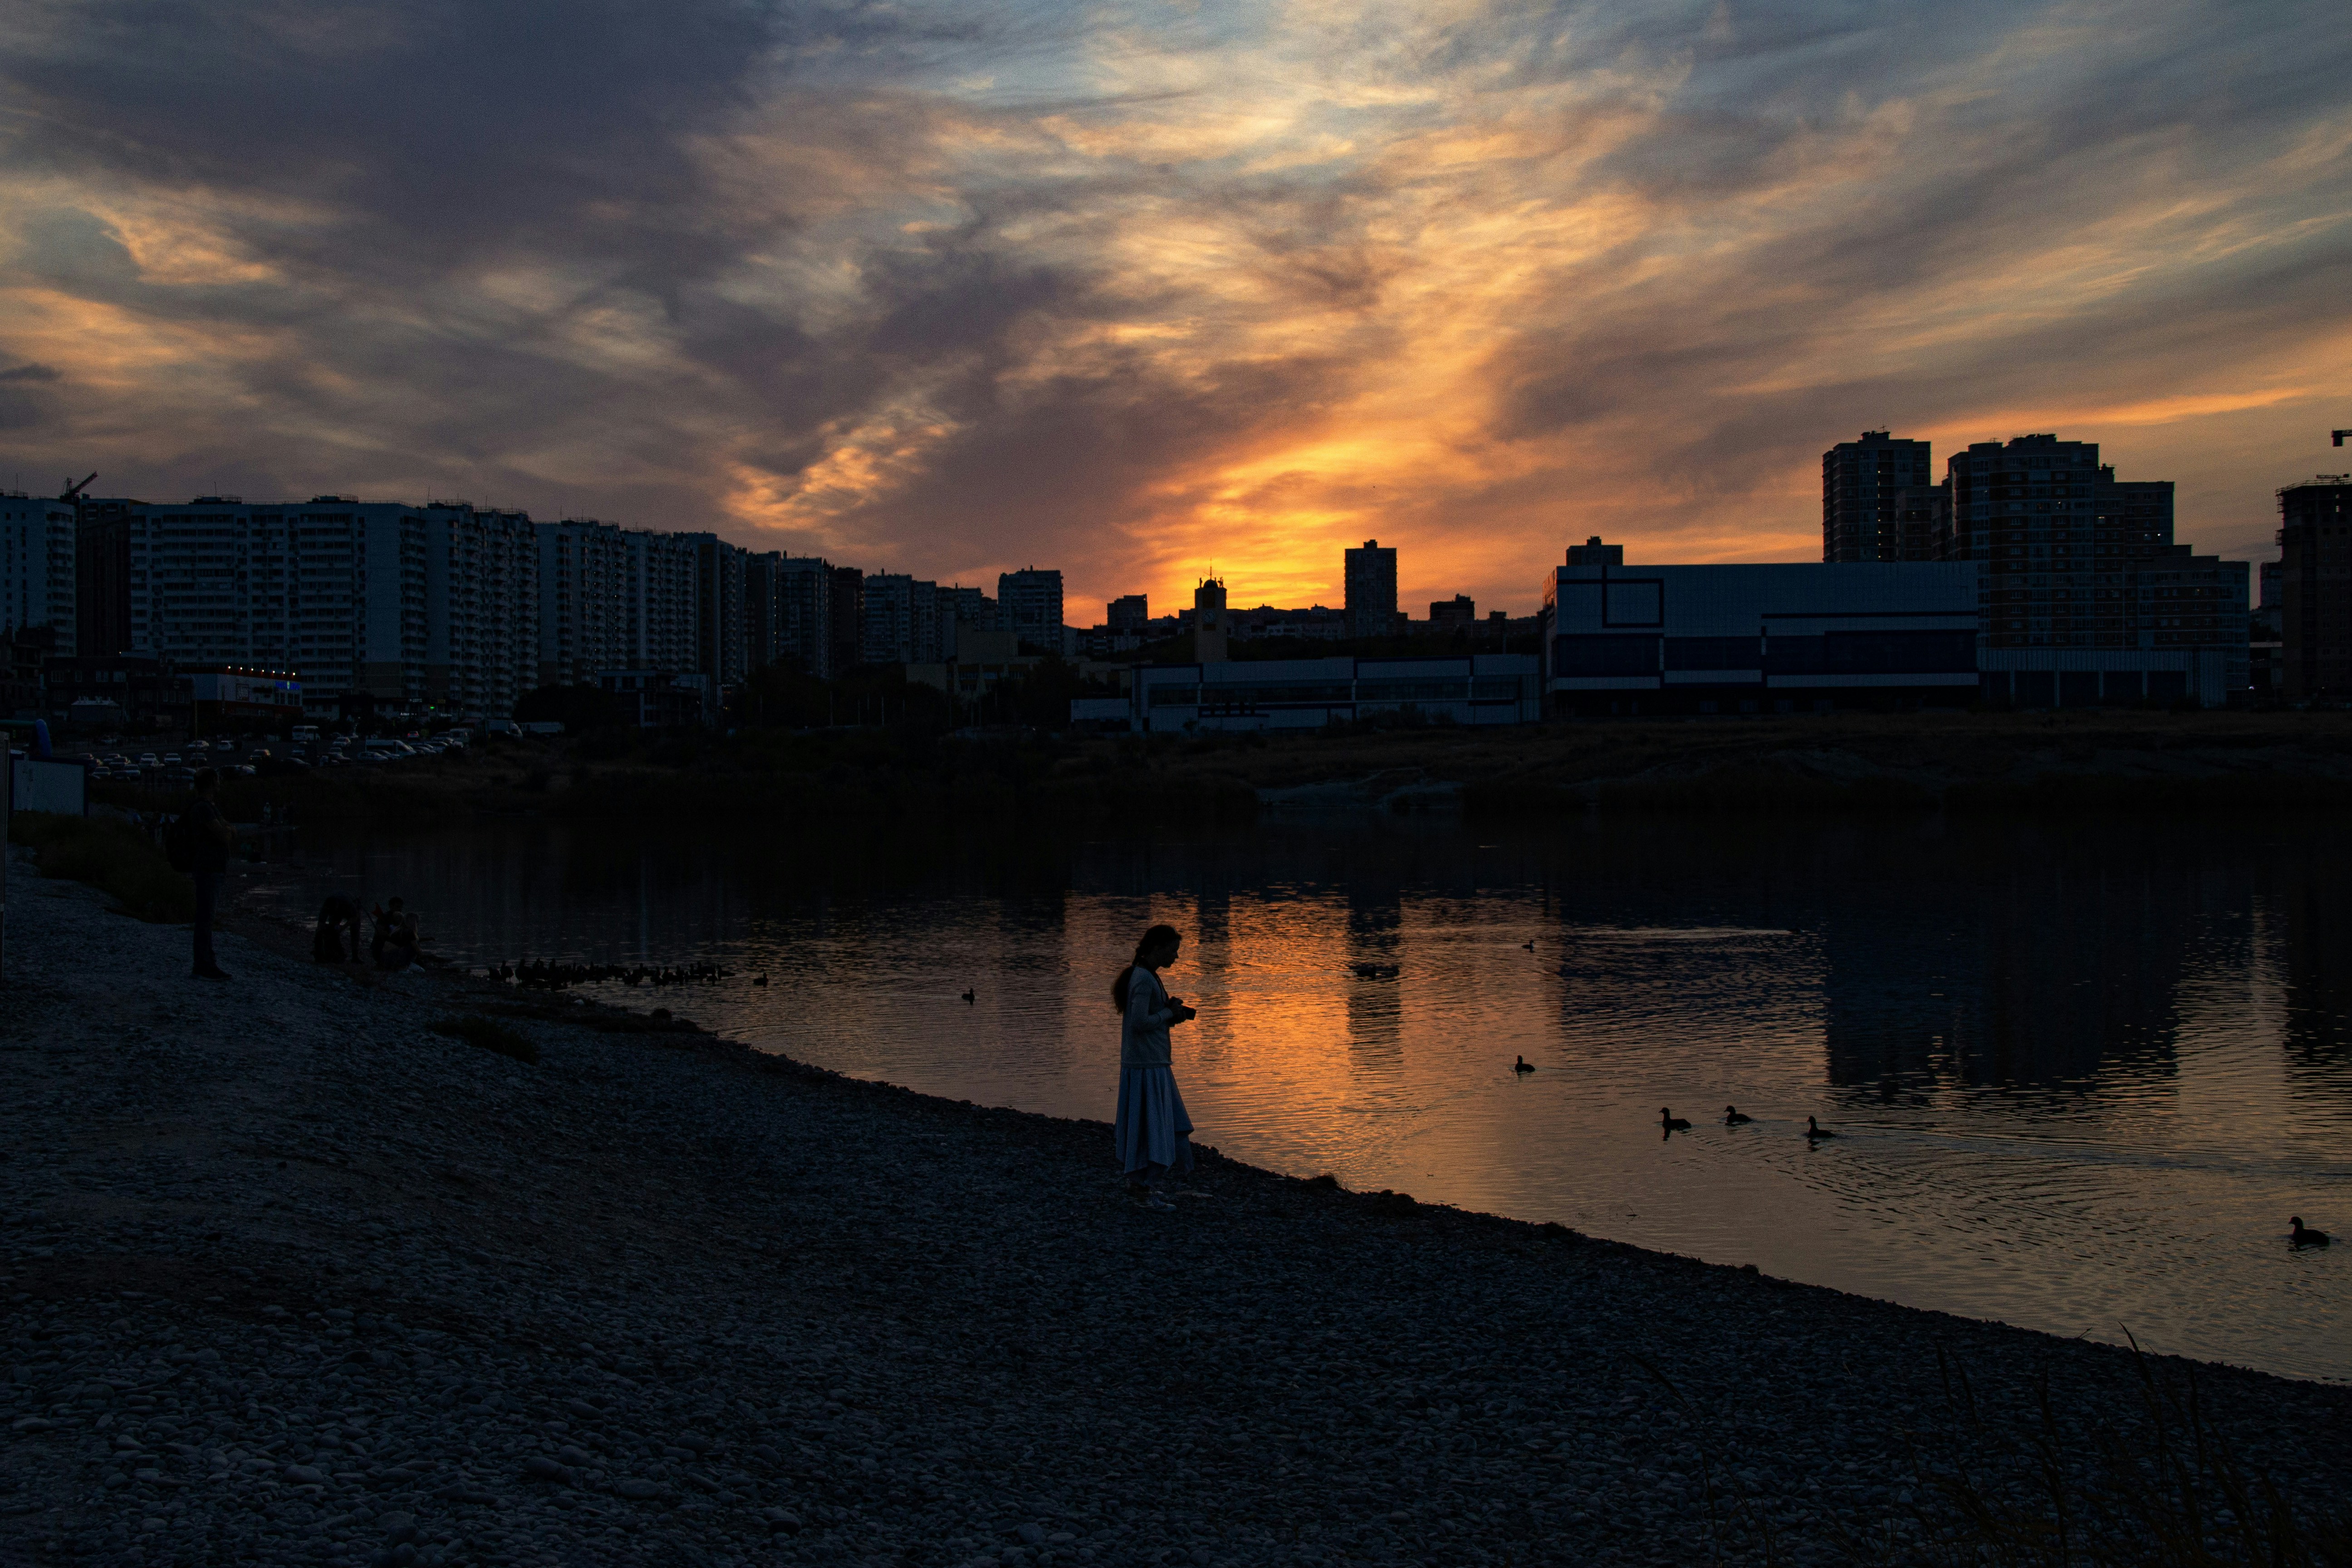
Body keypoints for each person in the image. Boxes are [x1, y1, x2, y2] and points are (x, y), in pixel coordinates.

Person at [1112, 923, 1200, 1210]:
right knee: (1150, 1126)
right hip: (1146, 1066)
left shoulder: (1148, 977)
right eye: (1173, 951)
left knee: (1151, 1125)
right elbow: (1138, 1023)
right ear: (1157, 948)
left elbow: (1149, 1018)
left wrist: (1171, 1014)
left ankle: (1142, 1184)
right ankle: (1141, 1188)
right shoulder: (1144, 979)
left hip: (1151, 1063)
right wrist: (1166, 1013)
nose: (1176, 958)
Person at [182, 768, 233, 981]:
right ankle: (203, 964)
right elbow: (225, 834)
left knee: (207, 918)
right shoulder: (203, 808)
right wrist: (227, 832)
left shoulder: (210, 807)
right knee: (205, 917)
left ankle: (208, 961)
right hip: (207, 869)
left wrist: (226, 830)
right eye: (218, 780)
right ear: (212, 782)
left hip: (213, 868)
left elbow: (226, 829)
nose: (220, 783)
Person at [313, 895, 363, 963]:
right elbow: (320, 925)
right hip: (337, 910)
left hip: (353, 910)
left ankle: (355, 956)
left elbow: (355, 917)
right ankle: (333, 952)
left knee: (355, 930)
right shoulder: (326, 907)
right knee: (332, 929)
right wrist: (318, 939)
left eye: (332, 911)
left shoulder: (348, 904)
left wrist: (344, 927)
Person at [369, 897, 405, 966]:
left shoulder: (400, 918)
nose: (400, 909)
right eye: (398, 907)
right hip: (380, 948)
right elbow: (378, 932)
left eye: (401, 907)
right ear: (391, 906)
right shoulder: (384, 917)